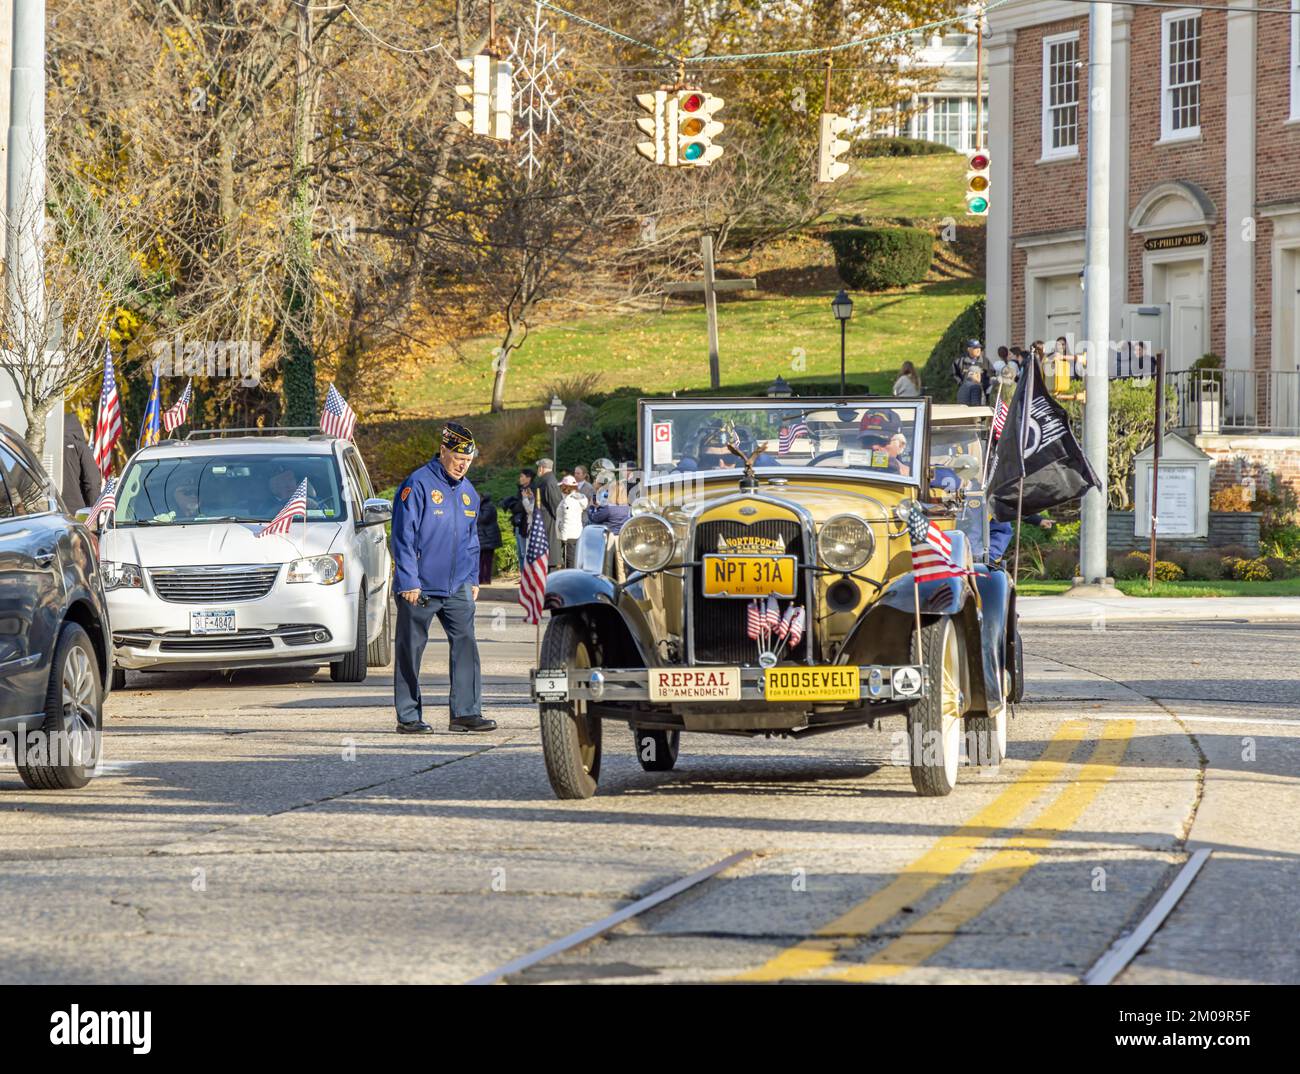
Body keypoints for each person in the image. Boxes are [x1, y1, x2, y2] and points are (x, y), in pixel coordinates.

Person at [390, 422, 494, 735]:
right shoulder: (418, 484)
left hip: (458, 585)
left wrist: (473, 577)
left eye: (469, 460)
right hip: (419, 586)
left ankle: (465, 713)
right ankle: (409, 716)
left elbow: (472, 540)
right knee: (410, 649)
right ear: (444, 451)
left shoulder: (469, 493)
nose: (463, 464)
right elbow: (402, 536)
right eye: (458, 457)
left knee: (466, 645)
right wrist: (408, 579)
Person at [61, 410, 102, 513]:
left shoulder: (44, 448)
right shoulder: (80, 448)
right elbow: (92, 482)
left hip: (47, 511)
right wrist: (94, 511)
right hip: (77, 512)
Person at [858, 411, 910, 476]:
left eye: (882, 441)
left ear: (900, 445)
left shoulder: (913, 477)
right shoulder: (850, 474)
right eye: (867, 441)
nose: (874, 447)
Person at [502, 468, 535, 569]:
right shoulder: (521, 489)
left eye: (522, 476)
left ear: (528, 478)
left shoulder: (531, 490)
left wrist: (514, 505)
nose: (519, 478)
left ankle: (526, 576)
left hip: (526, 525)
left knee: (525, 553)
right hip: (518, 524)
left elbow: (526, 508)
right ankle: (523, 576)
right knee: (520, 553)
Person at [534, 457, 563, 568]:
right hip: (546, 522)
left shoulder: (549, 482)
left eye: (538, 467)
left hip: (549, 524)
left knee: (550, 560)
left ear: (541, 468)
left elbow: (556, 505)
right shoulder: (547, 480)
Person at [556, 474, 587, 567]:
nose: (560, 488)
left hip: (569, 536)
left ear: (566, 487)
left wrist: (564, 537)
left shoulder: (568, 500)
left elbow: (567, 519)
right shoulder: (577, 497)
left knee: (569, 561)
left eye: (562, 486)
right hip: (576, 533)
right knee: (573, 559)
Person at [476, 491, 501, 584]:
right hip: (483, 537)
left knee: (486, 560)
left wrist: (475, 509)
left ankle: (485, 579)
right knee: (480, 560)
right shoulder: (482, 506)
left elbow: (483, 519)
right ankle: (481, 578)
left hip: (488, 538)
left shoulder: (488, 506)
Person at [953, 338, 987, 406]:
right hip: (966, 391)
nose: (978, 350)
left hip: (980, 392)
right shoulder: (960, 361)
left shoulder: (985, 361)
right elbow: (954, 375)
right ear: (969, 349)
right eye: (975, 348)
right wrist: (961, 383)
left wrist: (984, 387)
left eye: (979, 348)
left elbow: (990, 375)